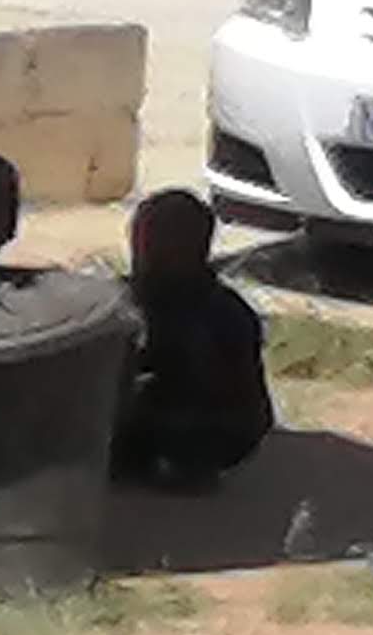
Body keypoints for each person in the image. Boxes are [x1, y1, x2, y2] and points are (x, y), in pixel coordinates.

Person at [117, 187, 274, 490]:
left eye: (161, 241)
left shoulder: (223, 314)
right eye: (140, 237)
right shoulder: (120, 299)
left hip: (203, 425)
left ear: (196, 247)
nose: (144, 249)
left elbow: (233, 401)